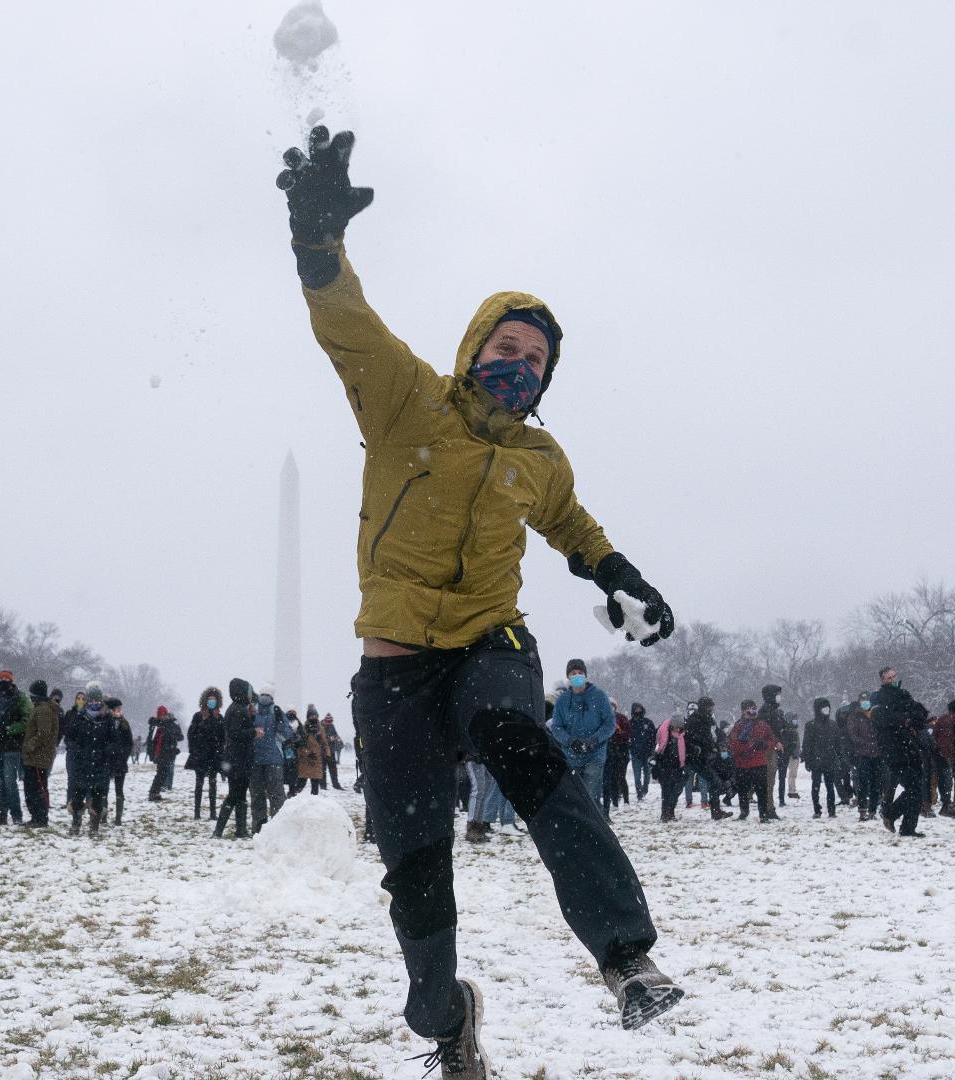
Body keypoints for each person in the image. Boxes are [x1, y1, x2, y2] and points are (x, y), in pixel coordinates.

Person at [276, 124, 681, 1074]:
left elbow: (574, 525)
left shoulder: (540, 460)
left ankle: (628, 958)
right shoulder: (405, 401)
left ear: (545, 381)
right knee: (415, 858)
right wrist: (317, 241)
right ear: (473, 349)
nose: (520, 365)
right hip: (393, 666)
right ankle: (444, 1014)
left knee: (520, 747)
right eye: (506, 346)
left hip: (492, 643)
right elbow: (345, 322)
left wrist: (619, 574)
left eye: (536, 361)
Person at [549, 660, 617, 815]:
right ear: (568, 677)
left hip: (595, 753)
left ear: (585, 675)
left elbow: (610, 724)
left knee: (590, 794)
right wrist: (570, 740)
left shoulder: (599, 696)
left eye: (580, 673)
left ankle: (594, 825)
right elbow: (556, 727)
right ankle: (578, 824)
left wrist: (594, 739)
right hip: (571, 754)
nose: (577, 676)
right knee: (574, 794)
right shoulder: (562, 700)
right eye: (573, 673)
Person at [873, 667, 930, 836]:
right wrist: (907, 719)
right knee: (914, 788)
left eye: (893, 676)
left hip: (910, 749)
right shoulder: (882, 702)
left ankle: (908, 827)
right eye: (888, 678)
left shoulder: (903, 696)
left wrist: (911, 719)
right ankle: (891, 813)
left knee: (917, 789)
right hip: (896, 752)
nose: (892, 680)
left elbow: (920, 714)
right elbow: (892, 722)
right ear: (882, 680)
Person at [61, 682, 113, 838]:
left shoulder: (107, 719)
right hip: (82, 763)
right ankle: (76, 823)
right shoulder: (79, 717)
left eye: (97, 701)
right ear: (87, 701)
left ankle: (94, 826)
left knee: (97, 796)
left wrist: (108, 750)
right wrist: (77, 749)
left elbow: (114, 740)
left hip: (100, 764)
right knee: (77, 795)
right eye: (91, 701)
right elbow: (69, 737)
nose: (94, 704)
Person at [213, 679, 261, 839]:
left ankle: (240, 830)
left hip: (239, 759)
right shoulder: (238, 710)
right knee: (235, 795)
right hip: (238, 760)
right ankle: (219, 831)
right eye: (248, 691)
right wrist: (254, 733)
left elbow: (238, 731)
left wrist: (252, 719)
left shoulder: (239, 709)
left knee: (239, 795)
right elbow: (236, 734)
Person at [0, 671, 31, 826]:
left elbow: (26, 720)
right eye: (1, 679)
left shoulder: (20, 698)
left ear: (11, 681)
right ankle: (1, 814)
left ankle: (16, 815)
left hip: (12, 747)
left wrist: (10, 729)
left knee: (10, 782)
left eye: (6, 679)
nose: (3, 681)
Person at [728, 700, 780, 822]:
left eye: (754, 709)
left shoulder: (763, 725)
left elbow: (772, 740)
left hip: (759, 763)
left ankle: (763, 814)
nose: (752, 713)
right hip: (742, 763)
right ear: (743, 711)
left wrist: (764, 744)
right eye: (749, 710)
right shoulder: (737, 726)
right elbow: (732, 744)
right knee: (743, 791)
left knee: (762, 791)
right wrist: (746, 748)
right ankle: (744, 812)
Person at [682, 697, 730, 820]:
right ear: (705, 707)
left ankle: (716, 811)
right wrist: (698, 748)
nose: (712, 709)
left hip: (704, 758)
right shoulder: (694, 720)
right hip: (694, 758)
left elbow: (717, 735)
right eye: (710, 706)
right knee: (681, 783)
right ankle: (715, 811)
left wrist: (720, 744)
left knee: (714, 782)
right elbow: (688, 738)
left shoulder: (709, 720)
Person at [21, 679, 61, 827]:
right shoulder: (41, 708)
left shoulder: (43, 709)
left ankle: (40, 818)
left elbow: (43, 733)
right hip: (35, 757)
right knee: (33, 788)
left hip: (38, 757)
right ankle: (36, 817)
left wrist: (29, 745)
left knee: (37, 788)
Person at [249, 685, 289, 818]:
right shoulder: (277, 711)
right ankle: (278, 826)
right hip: (274, 760)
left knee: (257, 797)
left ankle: (258, 828)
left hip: (255, 760)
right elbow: (287, 735)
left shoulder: (252, 711)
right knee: (277, 796)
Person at [187, 688, 226, 819]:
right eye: (209, 699)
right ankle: (197, 813)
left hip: (214, 756)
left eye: (214, 699)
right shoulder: (198, 716)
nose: (212, 701)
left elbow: (223, 737)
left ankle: (213, 813)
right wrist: (194, 751)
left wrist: (220, 752)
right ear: (205, 700)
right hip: (200, 756)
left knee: (213, 784)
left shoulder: (219, 717)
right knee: (199, 784)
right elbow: (191, 735)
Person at [805, 698, 845, 818]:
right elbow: (807, 744)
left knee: (829, 786)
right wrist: (807, 759)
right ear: (818, 709)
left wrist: (840, 758)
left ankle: (831, 809)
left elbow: (838, 744)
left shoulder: (833, 725)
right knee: (816, 786)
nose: (826, 710)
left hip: (829, 760)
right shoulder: (810, 725)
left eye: (828, 708)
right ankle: (817, 809)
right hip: (816, 760)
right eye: (824, 708)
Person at [758, 685, 797, 806]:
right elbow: (766, 731)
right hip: (769, 750)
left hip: (777, 749)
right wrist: (776, 741)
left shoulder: (775, 711)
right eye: (777, 694)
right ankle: (767, 807)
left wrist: (787, 733)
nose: (779, 697)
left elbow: (783, 727)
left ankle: (769, 806)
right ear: (771, 696)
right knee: (769, 780)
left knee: (772, 780)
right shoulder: (765, 711)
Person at [846, 693, 882, 821]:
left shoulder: (875, 714)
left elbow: (880, 732)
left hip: (876, 754)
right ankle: (862, 810)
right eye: (863, 700)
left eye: (867, 700)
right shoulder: (855, 716)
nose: (865, 702)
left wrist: (877, 743)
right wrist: (866, 743)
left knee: (875, 783)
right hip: (862, 754)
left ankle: (872, 810)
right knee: (862, 783)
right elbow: (853, 735)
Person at [652, 710, 690, 822]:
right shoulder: (663, 731)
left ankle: (671, 811)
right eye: (675, 726)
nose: (677, 729)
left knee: (676, 791)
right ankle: (665, 813)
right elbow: (658, 747)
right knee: (666, 791)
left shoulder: (685, 734)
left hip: (679, 765)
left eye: (679, 726)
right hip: (665, 765)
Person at [148, 705, 184, 801]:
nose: (162, 716)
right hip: (161, 753)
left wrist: (172, 748)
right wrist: (152, 754)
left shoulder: (169, 725)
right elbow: (152, 740)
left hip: (168, 753)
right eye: (160, 715)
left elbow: (179, 737)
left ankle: (155, 792)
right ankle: (153, 792)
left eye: (164, 714)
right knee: (161, 773)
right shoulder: (157, 726)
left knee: (163, 773)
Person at [107, 697, 133, 825]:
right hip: (107, 762)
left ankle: (118, 817)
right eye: (117, 708)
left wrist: (123, 756)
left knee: (119, 790)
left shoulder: (124, 723)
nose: (119, 711)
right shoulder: (106, 722)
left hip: (120, 762)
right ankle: (103, 815)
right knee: (103, 790)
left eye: (120, 709)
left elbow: (129, 743)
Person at [296, 710, 329, 795]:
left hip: (316, 758)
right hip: (305, 759)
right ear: (308, 717)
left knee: (315, 784)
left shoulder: (320, 728)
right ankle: (293, 800)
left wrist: (327, 753)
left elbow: (324, 742)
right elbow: (300, 744)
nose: (314, 717)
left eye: (315, 715)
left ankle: (314, 802)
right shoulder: (303, 728)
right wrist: (306, 753)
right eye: (312, 716)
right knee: (301, 783)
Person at [320, 710, 345, 791]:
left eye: (331, 722)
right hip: (322, 751)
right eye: (328, 722)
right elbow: (319, 738)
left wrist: (336, 738)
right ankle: (323, 786)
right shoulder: (320, 726)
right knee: (322, 770)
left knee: (333, 769)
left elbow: (335, 735)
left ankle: (336, 784)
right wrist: (329, 738)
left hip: (331, 751)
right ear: (325, 721)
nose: (329, 723)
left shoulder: (332, 726)